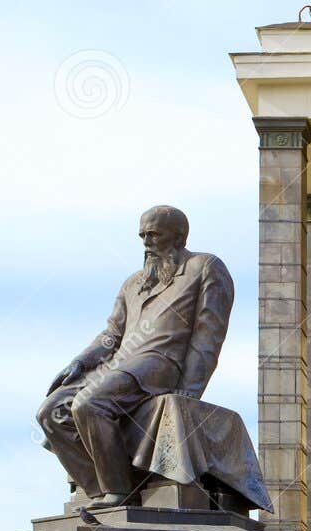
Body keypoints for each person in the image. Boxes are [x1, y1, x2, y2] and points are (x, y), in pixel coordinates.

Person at [36, 206, 232, 505]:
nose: (146, 242)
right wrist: (80, 362)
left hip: (160, 363)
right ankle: (100, 488)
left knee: (90, 404)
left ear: (179, 236)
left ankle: (119, 492)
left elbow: (209, 334)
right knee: (50, 412)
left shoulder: (204, 267)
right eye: (142, 235)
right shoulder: (133, 283)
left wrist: (190, 390)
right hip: (117, 364)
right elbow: (111, 335)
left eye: (154, 234)